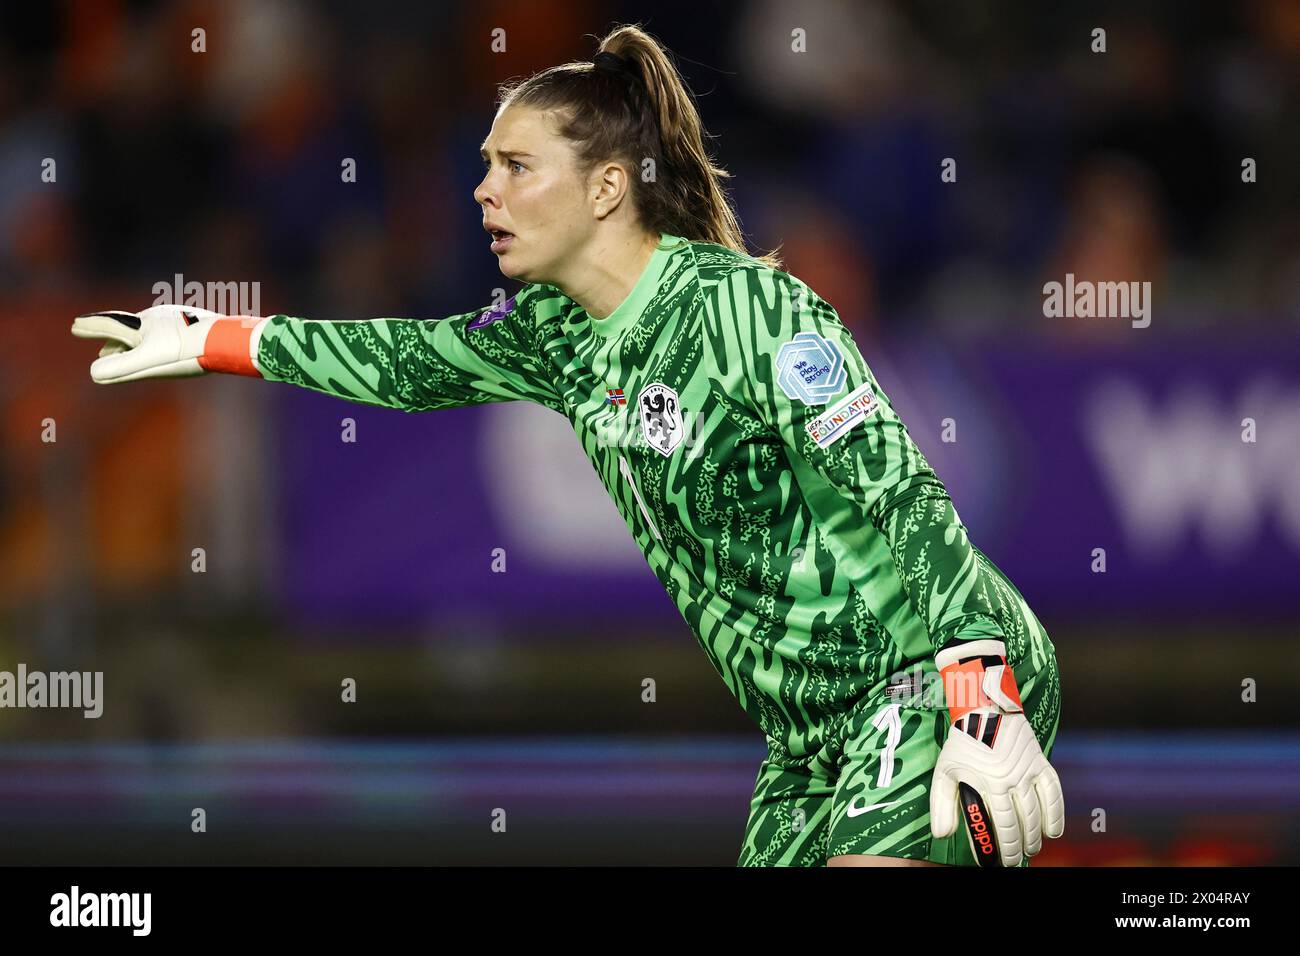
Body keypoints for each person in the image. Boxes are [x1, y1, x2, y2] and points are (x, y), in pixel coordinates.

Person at [71, 24, 1063, 867]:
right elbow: (408, 359)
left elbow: (902, 491)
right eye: (483, 166)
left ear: (604, 189)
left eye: (513, 166)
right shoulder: (553, 334)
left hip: (925, 667)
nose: (482, 192)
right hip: (809, 733)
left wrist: (979, 687)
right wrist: (211, 337)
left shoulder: (749, 310)